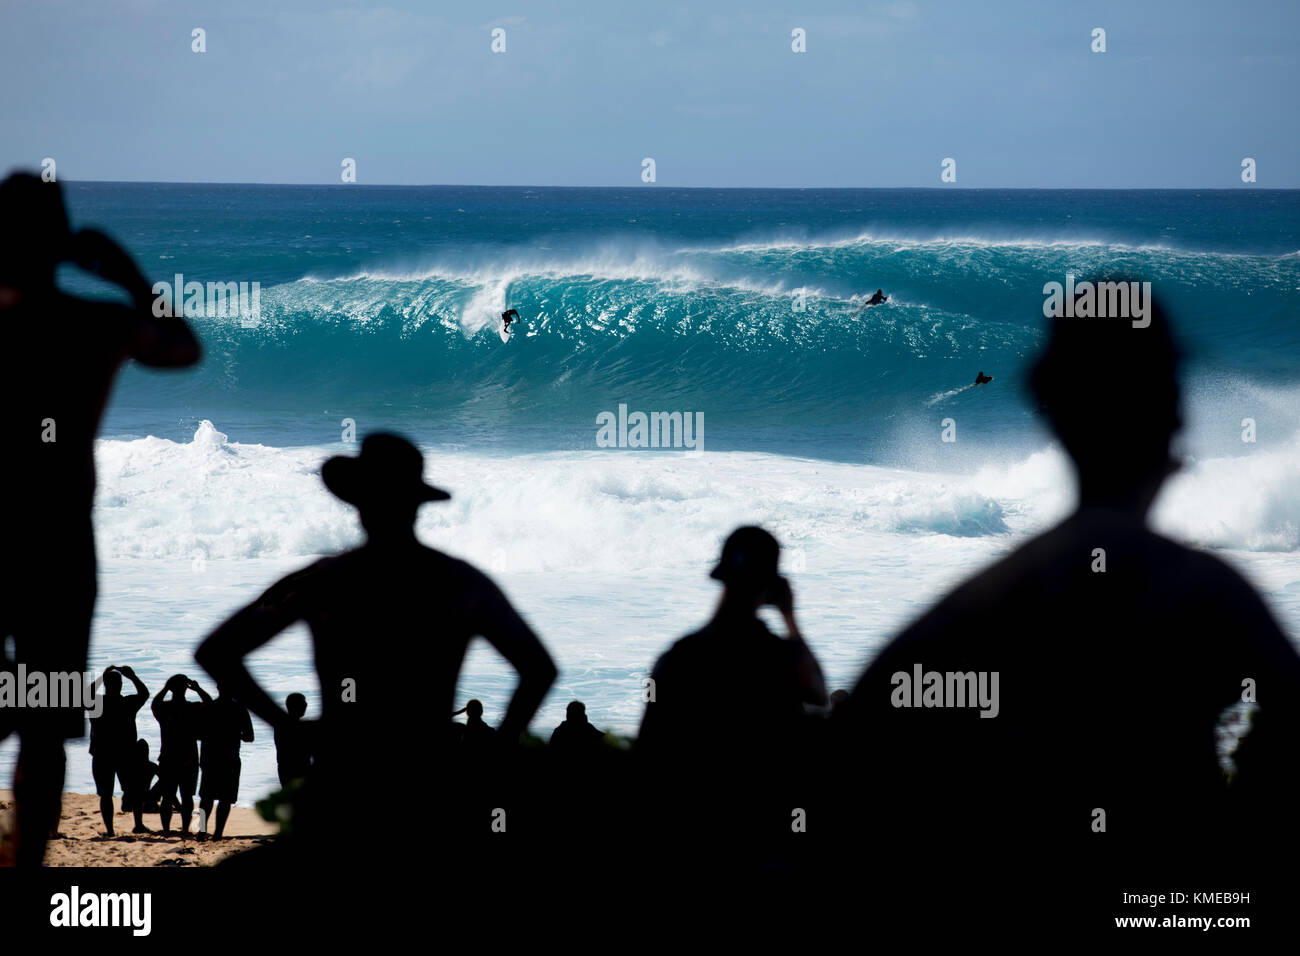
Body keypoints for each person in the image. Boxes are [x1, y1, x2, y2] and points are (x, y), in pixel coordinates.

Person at [837, 284, 1300, 906]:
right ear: (1173, 415)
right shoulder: (1209, 598)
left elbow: (859, 759)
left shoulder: (979, 608)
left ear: (1045, 405)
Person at [195, 433, 558, 859]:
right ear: (416, 504)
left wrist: (288, 727)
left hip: (343, 779)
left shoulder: (324, 580)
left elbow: (217, 651)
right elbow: (538, 669)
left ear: (358, 504)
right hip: (430, 779)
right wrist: (497, 754)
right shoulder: (459, 582)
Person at [0, 172, 200, 867]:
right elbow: (182, 347)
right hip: (58, 546)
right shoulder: (98, 324)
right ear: (63, 241)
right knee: (43, 729)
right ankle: (23, 864)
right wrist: (133, 276)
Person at [88, 665, 151, 836]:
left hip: (102, 754)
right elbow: (145, 694)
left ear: (106, 685)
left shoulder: (97, 703)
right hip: (126, 754)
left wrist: (102, 677)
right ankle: (138, 824)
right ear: (121, 685)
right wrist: (133, 676)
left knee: (106, 795)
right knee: (134, 790)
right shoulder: (127, 703)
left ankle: (110, 830)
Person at [152, 675, 211, 835]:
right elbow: (210, 705)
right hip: (188, 757)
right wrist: (197, 689)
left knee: (167, 795)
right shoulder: (192, 708)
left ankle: (166, 829)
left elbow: (154, 704)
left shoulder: (165, 708)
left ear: (171, 688)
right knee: (186, 796)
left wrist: (165, 687)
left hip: (168, 756)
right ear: (186, 688)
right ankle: (185, 828)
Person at [198, 689, 254, 841]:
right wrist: (234, 734)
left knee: (206, 798)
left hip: (210, 758)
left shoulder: (209, 707)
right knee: (225, 799)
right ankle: (218, 833)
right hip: (230, 758)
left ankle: (201, 831)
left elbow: (198, 733)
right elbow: (250, 737)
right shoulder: (240, 709)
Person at [273, 693, 312, 788]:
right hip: (300, 768)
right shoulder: (302, 728)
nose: (305, 707)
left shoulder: (280, 724)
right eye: (303, 704)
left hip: (285, 768)